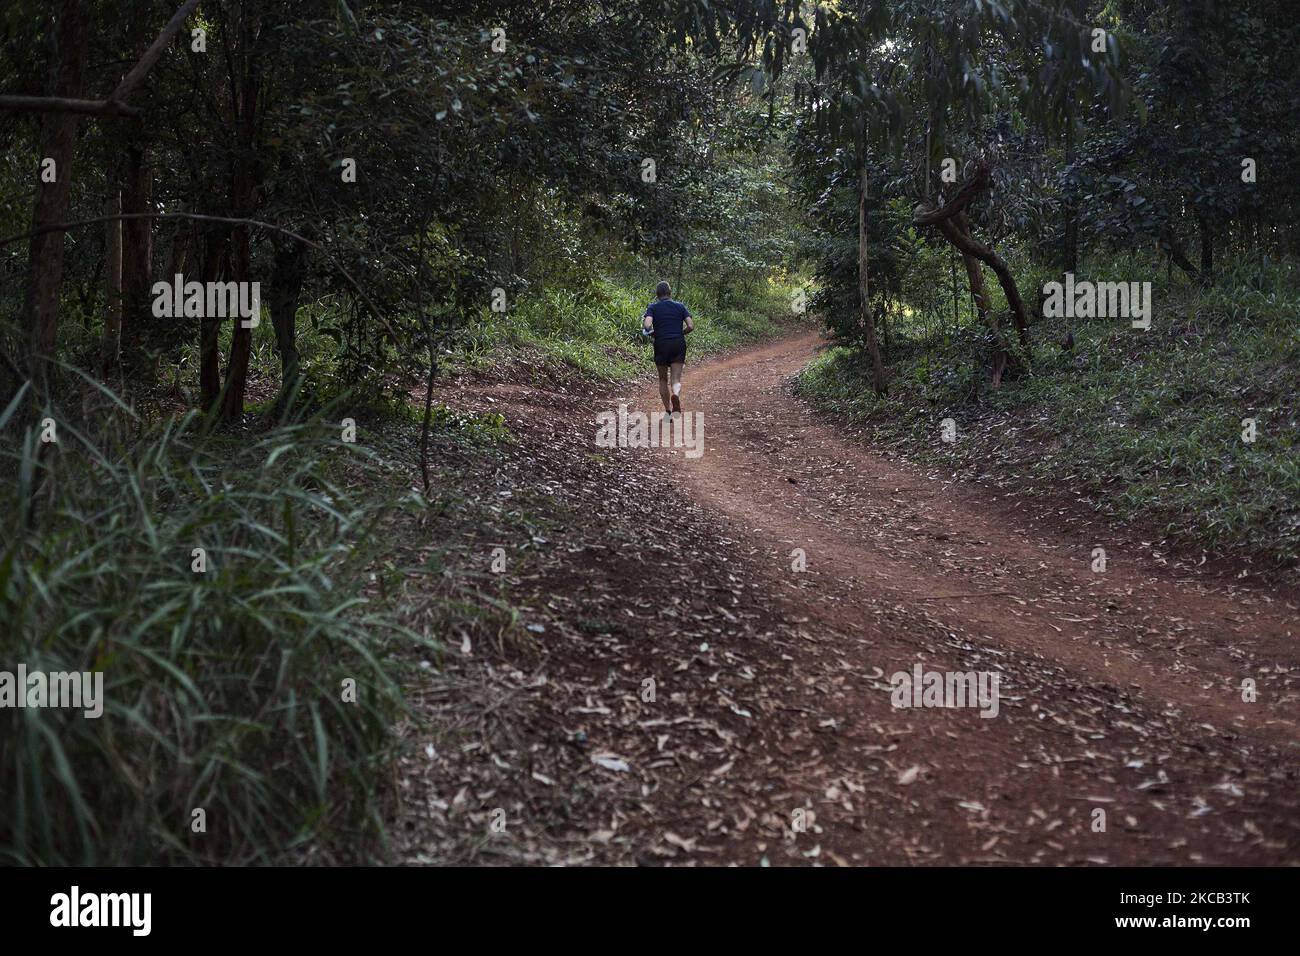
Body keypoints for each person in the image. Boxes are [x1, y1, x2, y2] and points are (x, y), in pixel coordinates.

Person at [641, 280, 694, 415]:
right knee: (675, 379)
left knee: (663, 379)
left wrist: (649, 329)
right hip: (678, 343)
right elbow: (690, 326)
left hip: (661, 344)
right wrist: (680, 333)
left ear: (657, 294)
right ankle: (675, 393)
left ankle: (668, 411)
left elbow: (647, 326)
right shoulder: (680, 306)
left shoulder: (653, 307)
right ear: (670, 293)